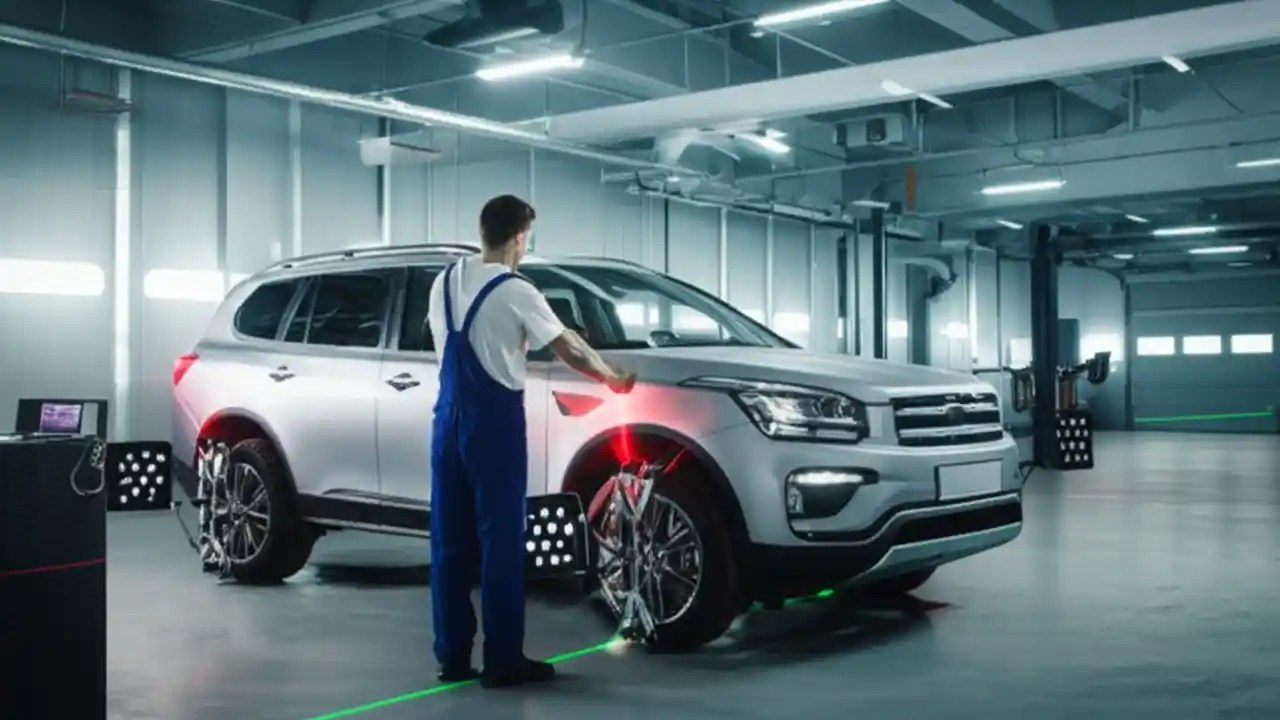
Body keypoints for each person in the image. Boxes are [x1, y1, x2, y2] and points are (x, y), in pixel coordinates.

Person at [427, 194, 636, 689]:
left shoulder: (445, 280)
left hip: (446, 424)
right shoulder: (516, 288)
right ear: (520, 236)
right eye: (528, 237)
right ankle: (503, 661)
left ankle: (452, 657)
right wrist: (612, 375)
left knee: (448, 545)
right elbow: (569, 347)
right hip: (493, 427)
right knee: (501, 543)